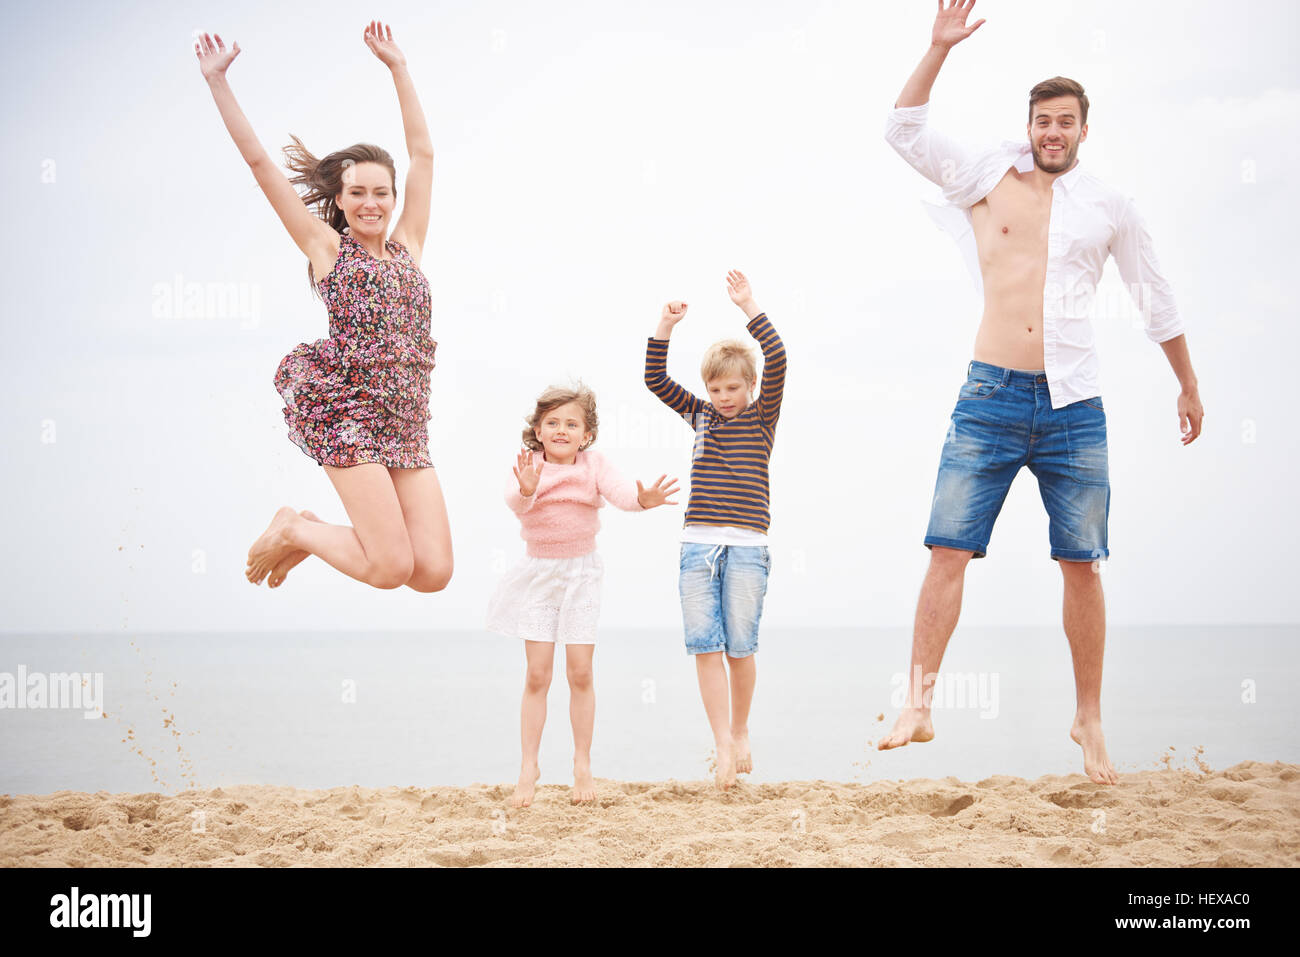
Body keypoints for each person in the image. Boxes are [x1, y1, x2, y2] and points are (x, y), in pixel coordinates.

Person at [878, 0, 1204, 784]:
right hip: (989, 395)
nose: (1051, 132)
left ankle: (1088, 714)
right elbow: (903, 131)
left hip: (1073, 405)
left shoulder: (1109, 206)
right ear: (1028, 125)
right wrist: (937, 49)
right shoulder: (988, 176)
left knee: (1082, 562)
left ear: (1084, 130)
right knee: (947, 547)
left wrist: (1187, 383)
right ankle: (919, 700)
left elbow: (1155, 294)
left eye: (1065, 121)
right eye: (1042, 120)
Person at [196, 22, 453, 592]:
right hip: (351, 413)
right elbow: (262, 165)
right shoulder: (327, 249)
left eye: (380, 191)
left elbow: (424, 155)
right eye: (356, 192)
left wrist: (398, 68)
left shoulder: (409, 244)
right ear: (338, 200)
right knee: (390, 568)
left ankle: (306, 530)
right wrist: (218, 83)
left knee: (432, 572)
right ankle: (294, 529)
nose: (370, 202)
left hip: (406, 414)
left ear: (392, 197)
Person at [486, 385, 679, 806]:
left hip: (582, 576)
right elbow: (515, 503)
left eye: (571, 423)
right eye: (552, 422)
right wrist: (527, 488)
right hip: (540, 577)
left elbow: (623, 494)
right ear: (537, 430)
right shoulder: (528, 465)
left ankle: (582, 764)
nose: (561, 430)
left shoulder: (594, 465)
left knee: (581, 673)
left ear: (586, 434)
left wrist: (642, 500)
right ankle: (528, 767)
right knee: (538, 674)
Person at [644, 271, 787, 790]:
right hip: (697, 544)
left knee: (739, 649)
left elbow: (779, 358)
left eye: (732, 388)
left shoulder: (762, 417)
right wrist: (665, 325)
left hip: (749, 545)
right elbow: (656, 380)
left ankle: (741, 729)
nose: (723, 396)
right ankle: (722, 741)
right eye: (716, 388)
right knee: (705, 645)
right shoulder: (701, 415)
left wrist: (748, 303)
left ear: (750, 388)